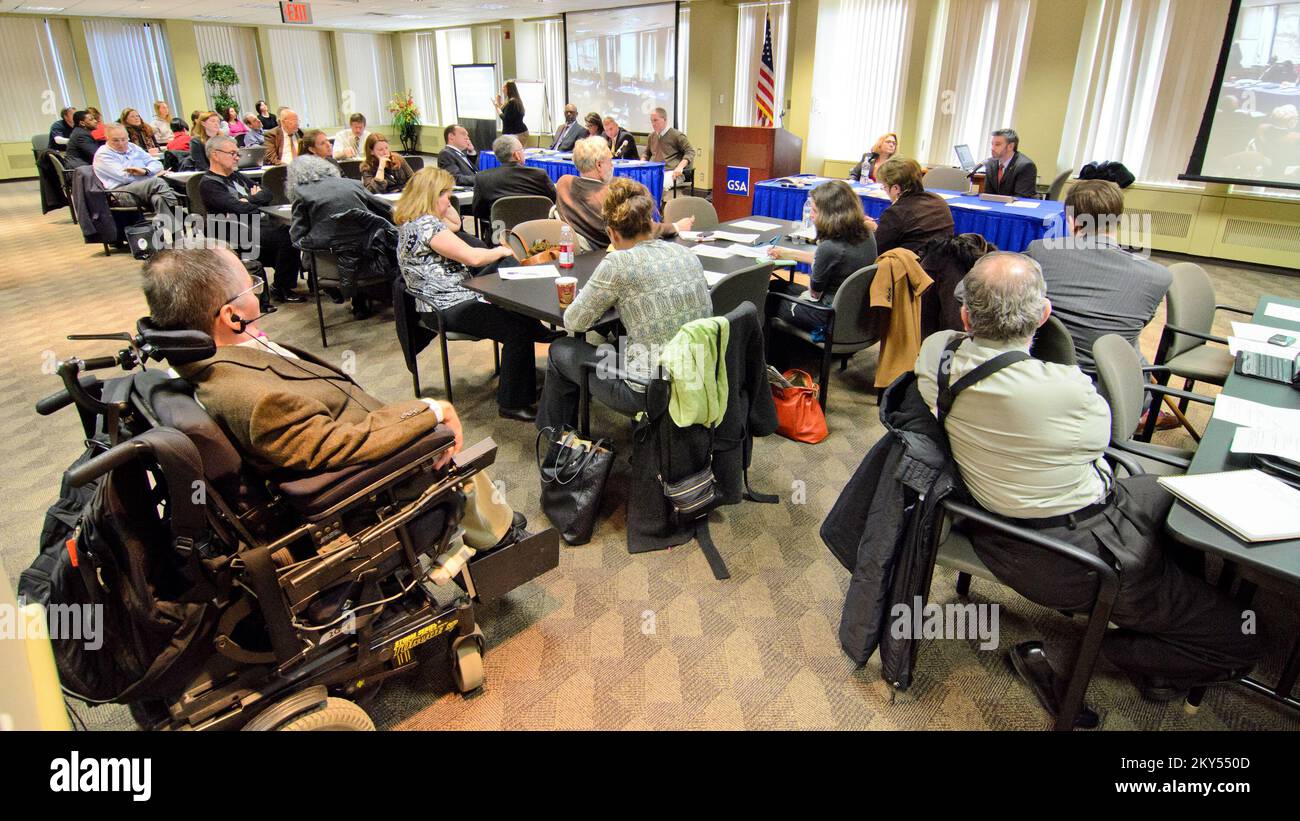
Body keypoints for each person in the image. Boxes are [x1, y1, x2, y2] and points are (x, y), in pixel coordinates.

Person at [913, 252, 1260, 711]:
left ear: (963, 315)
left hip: (995, 522)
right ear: (1044, 314)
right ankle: (1063, 657)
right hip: (1071, 550)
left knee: (1181, 504)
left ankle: (1155, 628)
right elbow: (1104, 444)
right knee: (1243, 635)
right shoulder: (1067, 387)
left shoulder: (936, 354)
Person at [140, 245, 529, 559]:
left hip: (352, 425)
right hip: (368, 478)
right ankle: (497, 533)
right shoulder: (254, 397)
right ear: (231, 315)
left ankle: (492, 522)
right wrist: (432, 412)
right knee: (448, 441)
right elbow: (342, 445)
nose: (259, 292)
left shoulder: (212, 359)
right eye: (251, 288)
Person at [536, 178, 711, 431]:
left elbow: (574, 321)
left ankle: (557, 451)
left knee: (561, 349)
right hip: (694, 376)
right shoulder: (686, 253)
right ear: (650, 224)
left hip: (648, 390)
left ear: (612, 233)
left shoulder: (618, 263)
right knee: (615, 344)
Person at [396, 167, 552, 421]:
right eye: (446, 194)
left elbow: (455, 223)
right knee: (516, 328)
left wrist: (444, 206)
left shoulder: (412, 221)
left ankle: (531, 338)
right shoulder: (427, 226)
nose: (450, 199)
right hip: (447, 306)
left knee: (514, 307)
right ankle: (513, 403)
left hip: (450, 296)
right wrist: (502, 251)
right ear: (431, 195)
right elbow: (474, 257)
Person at [1026, 179, 1171, 377]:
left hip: (1046, 377)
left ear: (1072, 221)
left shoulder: (1039, 252)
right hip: (1116, 389)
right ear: (1118, 220)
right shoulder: (1158, 277)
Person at [199, 134, 303, 305]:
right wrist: (250, 199)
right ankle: (282, 286)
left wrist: (248, 200)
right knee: (286, 236)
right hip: (232, 232)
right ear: (215, 155)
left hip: (254, 225)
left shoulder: (236, 176)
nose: (236, 157)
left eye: (237, 153)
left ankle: (282, 283)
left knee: (290, 232)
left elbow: (267, 193)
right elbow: (238, 208)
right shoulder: (209, 184)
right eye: (232, 153)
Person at [766, 181, 878, 332]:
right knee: (776, 285)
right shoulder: (866, 233)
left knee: (767, 299)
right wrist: (788, 254)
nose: (810, 215)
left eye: (814, 210)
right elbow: (835, 261)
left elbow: (814, 293)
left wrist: (816, 261)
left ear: (830, 215)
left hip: (827, 314)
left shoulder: (829, 247)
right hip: (853, 312)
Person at [287, 155, 392, 313]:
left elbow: (296, 237)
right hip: (368, 256)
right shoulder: (354, 184)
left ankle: (336, 290)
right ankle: (360, 298)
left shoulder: (301, 192)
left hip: (328, 264)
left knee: (311, 250)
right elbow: (386, 209)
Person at [555, 136, 693, 251]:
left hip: (579, 257)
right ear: (599, 165)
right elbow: (641, 229)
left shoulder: (563, 184)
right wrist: (676, 226)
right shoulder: (612, 197)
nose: (612, 164)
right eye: (610, 160)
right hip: (611, 256)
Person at [865, 157, 954, 254]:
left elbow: (877, 251)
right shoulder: (938, 200)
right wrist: (877, 229)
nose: (885, 190)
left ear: (896, 188)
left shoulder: (896, 213)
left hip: (911, 266)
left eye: (884, 186)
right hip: (942, 263)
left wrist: (871, 232)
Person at [91, 123, 179, 217]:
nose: (121, 143)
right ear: (107, 138)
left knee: (158, 198)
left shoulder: (132, 147)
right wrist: (152, 175)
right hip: (121, 193)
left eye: (124, 139)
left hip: (144, 188)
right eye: (115, 140)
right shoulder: (103, 154)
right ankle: (180, 212)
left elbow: (158, 164)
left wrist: (146, 171)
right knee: (158, 182)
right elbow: (125, 177)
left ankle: (172, 230)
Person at [471, 135, 556, 225]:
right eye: (522, 150)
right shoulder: (539, 175)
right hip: (538, 232)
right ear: (517, 155)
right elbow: (555, 201)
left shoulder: (483, 178)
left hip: (501, 234)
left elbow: (478, 211)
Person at [643, 107, 695, 197]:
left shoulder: (676, 135)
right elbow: (647, 153)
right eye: (652, 121)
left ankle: (659, 208)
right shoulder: (652, 136)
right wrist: (642, 160)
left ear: (665, 120)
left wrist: (680, 167)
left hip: (672, 171)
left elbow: (690, 151)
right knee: (641, 182)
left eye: (656, 120)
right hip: (656, 170)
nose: (653, 124)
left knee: (657, 184)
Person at [982, 127, 1038, 198]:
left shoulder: (1026, 166)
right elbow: (988, 194)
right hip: (996, 206)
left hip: (1016, 207)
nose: (992, 148)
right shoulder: (990, 163)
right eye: (992, 144)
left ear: (1010, 146)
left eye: (997, 144)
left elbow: (1021, 198)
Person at [494, 82, 527, 146]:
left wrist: (497, 108)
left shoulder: (512, 102)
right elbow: (509, 114)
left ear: (509, 89)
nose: (502, 89)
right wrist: (499, 104)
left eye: (504, 87)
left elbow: (506, 119)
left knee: (512, 154)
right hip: (519, 132)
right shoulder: (515, 101)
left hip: (515, 134)